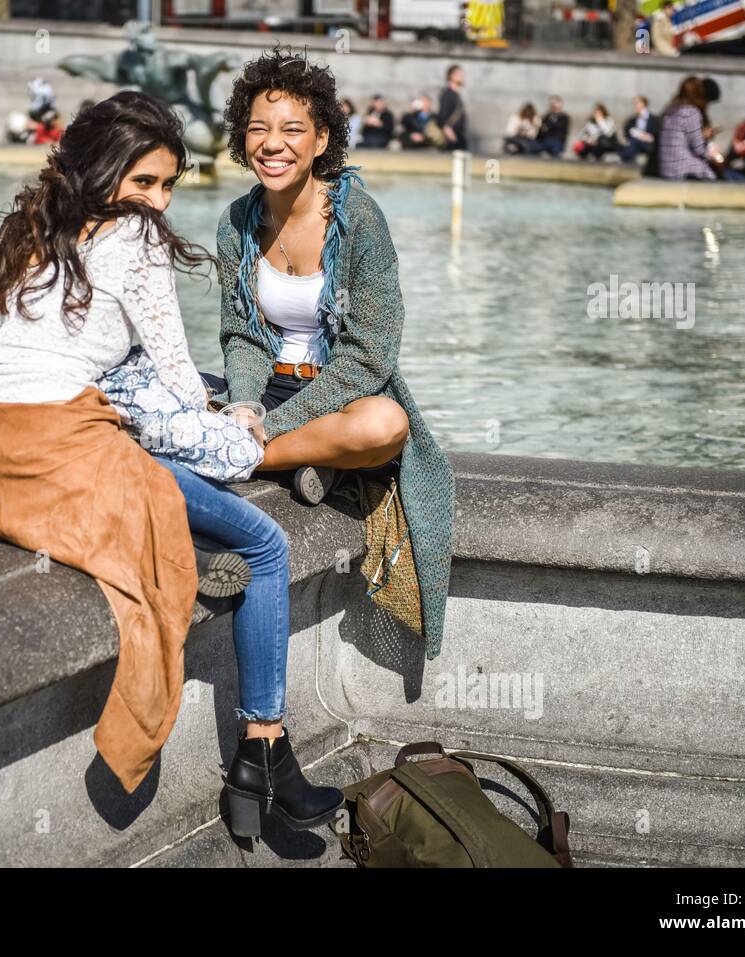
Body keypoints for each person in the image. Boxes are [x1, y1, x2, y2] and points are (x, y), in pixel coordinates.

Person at [0, 91, 311, 809]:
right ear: (103, 170)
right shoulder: (136, 240)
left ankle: (192, 544)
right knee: (268, 544)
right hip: (71, 458)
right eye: (145, 181)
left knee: (165, 459)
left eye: (169, 184)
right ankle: (262, 750)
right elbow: (180, 384)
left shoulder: (32, 227)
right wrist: (239, 420)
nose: (158, 200)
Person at [207, 50, 457, 752]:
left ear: (321, 140)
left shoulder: (361, 220)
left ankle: (258, 460)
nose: (273, 144)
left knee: (387, 424)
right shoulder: (236, 222)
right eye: (259, 128)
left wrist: (266, 429)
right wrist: (247, 403)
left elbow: (371, 356)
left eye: (292, 128)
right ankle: (295, 463)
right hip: (270, 398)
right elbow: (241, 334)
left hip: (341, 393)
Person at [657, 75, 716, 180]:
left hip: (665, 167)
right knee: (713, 176)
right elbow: (699, 150)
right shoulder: (691, 112)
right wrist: (705, 137)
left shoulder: (669, 110)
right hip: (682, 168)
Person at [618, 95, 659, 163]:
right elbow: (627, 131)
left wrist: (648, 137)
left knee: (632, 144)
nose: (635, 105)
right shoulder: (632, 119)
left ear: (643, 104)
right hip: (636, 143)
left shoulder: (653, 119)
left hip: (648, 144)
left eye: (637, 103)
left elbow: (656, 133)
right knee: (633, 144)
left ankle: (625, 157)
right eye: (634, 103)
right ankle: (629, 161)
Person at [436, 64, 467, 150]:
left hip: (459, 136)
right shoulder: (447, 94)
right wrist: (451, 136)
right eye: (459, 74)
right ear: (451, 76)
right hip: (451, 138)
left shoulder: (456, 95)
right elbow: (443, 117)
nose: (462, 77)